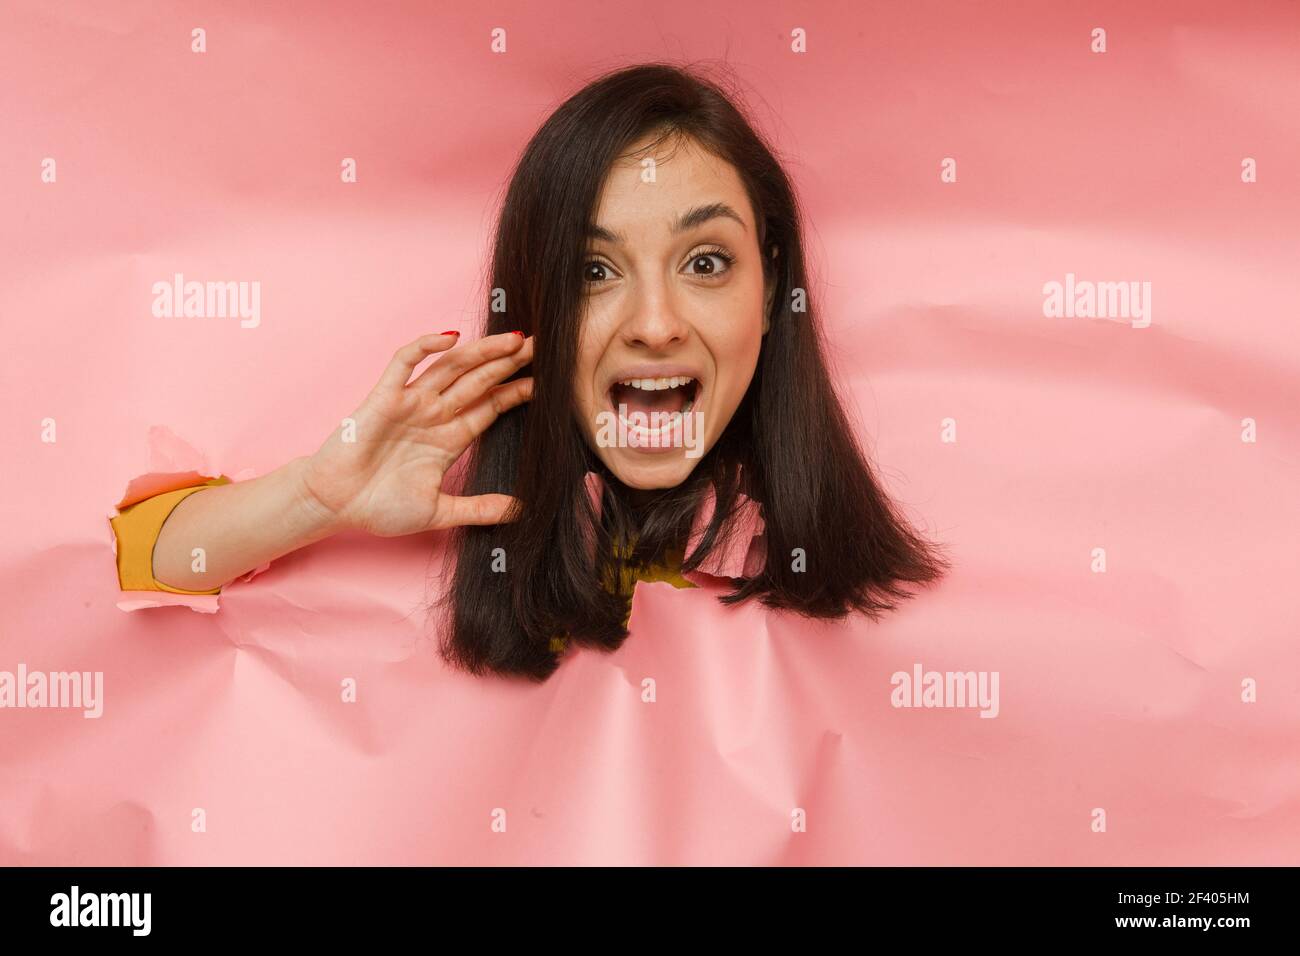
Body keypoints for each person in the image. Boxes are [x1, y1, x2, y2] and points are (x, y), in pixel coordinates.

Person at [111, 62, 948, 681]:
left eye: (704, 262)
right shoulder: (460, 508)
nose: (655, 325)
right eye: (593, 272)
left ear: (769, 290)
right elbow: (151, 554)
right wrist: (314, 501)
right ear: (533, 307)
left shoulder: (840, 582)